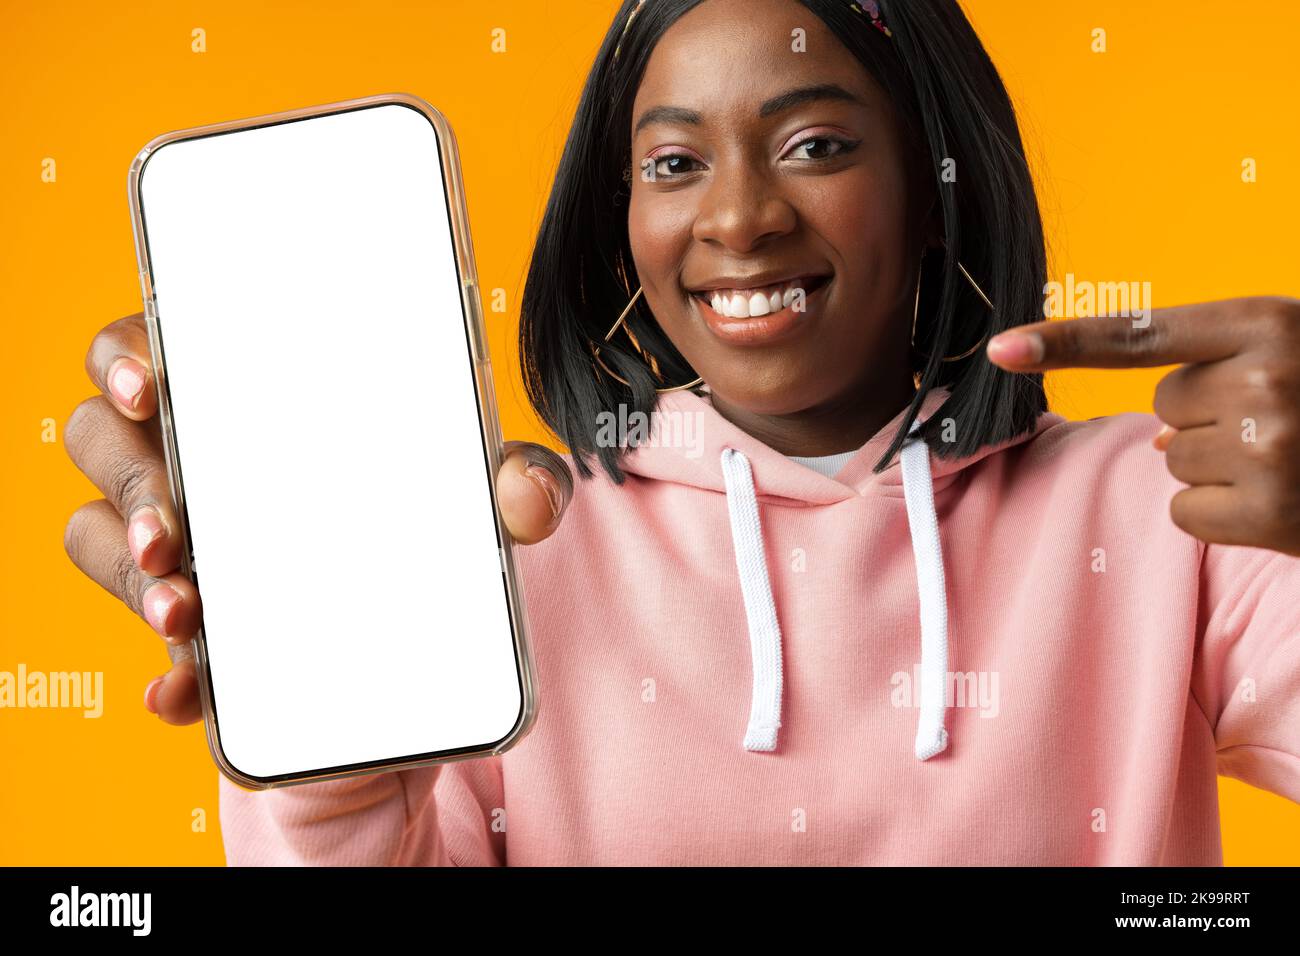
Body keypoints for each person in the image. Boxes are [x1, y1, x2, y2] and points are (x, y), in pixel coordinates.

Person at [63, 0, 1300, 865]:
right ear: (619, 228)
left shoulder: (1170, 508)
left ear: (935, 193)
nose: (741, 216)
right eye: (672, 163)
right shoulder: (502, 545)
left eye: (814, 144)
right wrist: (326, 741)